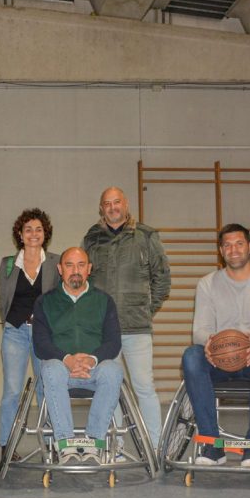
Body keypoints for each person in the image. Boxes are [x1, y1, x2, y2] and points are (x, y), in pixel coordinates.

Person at [181, 224, 250, 468]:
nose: (234, 250)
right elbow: (199, 331)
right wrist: (209, 344)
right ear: (221, 251)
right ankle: (212, 446)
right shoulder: (207, 283)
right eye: (227, 245)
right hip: (220, 361)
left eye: (239, 244)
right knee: (191, 355)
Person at [82, 186, 170, 444]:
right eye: (107, 204)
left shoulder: (146, 236)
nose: (112, 208)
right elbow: (83, 280)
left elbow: (162, 279)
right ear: (101, 208)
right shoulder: (91, 238)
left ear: (126, 204)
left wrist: (145, 310)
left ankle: (154, 447)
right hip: (104, 333)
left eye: (116, 202)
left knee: (144, 389)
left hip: (137, 330)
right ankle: (115, 447)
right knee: (110, 391)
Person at [32, 247, 125, 465]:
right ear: (60, 269)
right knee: (51, 368)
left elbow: (114, 342)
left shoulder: (104, 301)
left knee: (113, 370)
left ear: (89, 269)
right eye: (69, 265)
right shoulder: (45, 302)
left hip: (95, 370)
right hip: (60, 370)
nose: (76, 270)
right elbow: (40, 344)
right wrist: (67, 359)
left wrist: (91, 359)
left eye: (81, 265)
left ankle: (94, 442)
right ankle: (65, 444)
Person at [0, 208, 58, 452]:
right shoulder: (8, 264)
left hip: (45, 334)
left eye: (39, 229)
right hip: (15, 332)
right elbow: (3, 299)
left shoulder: (56, 262)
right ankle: (6, 446)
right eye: (28, 229)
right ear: (20, 234)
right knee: (12, 390)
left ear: (45, 234)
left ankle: (50, 445)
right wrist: (14, 322)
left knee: (46, 388)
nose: (34, 234)